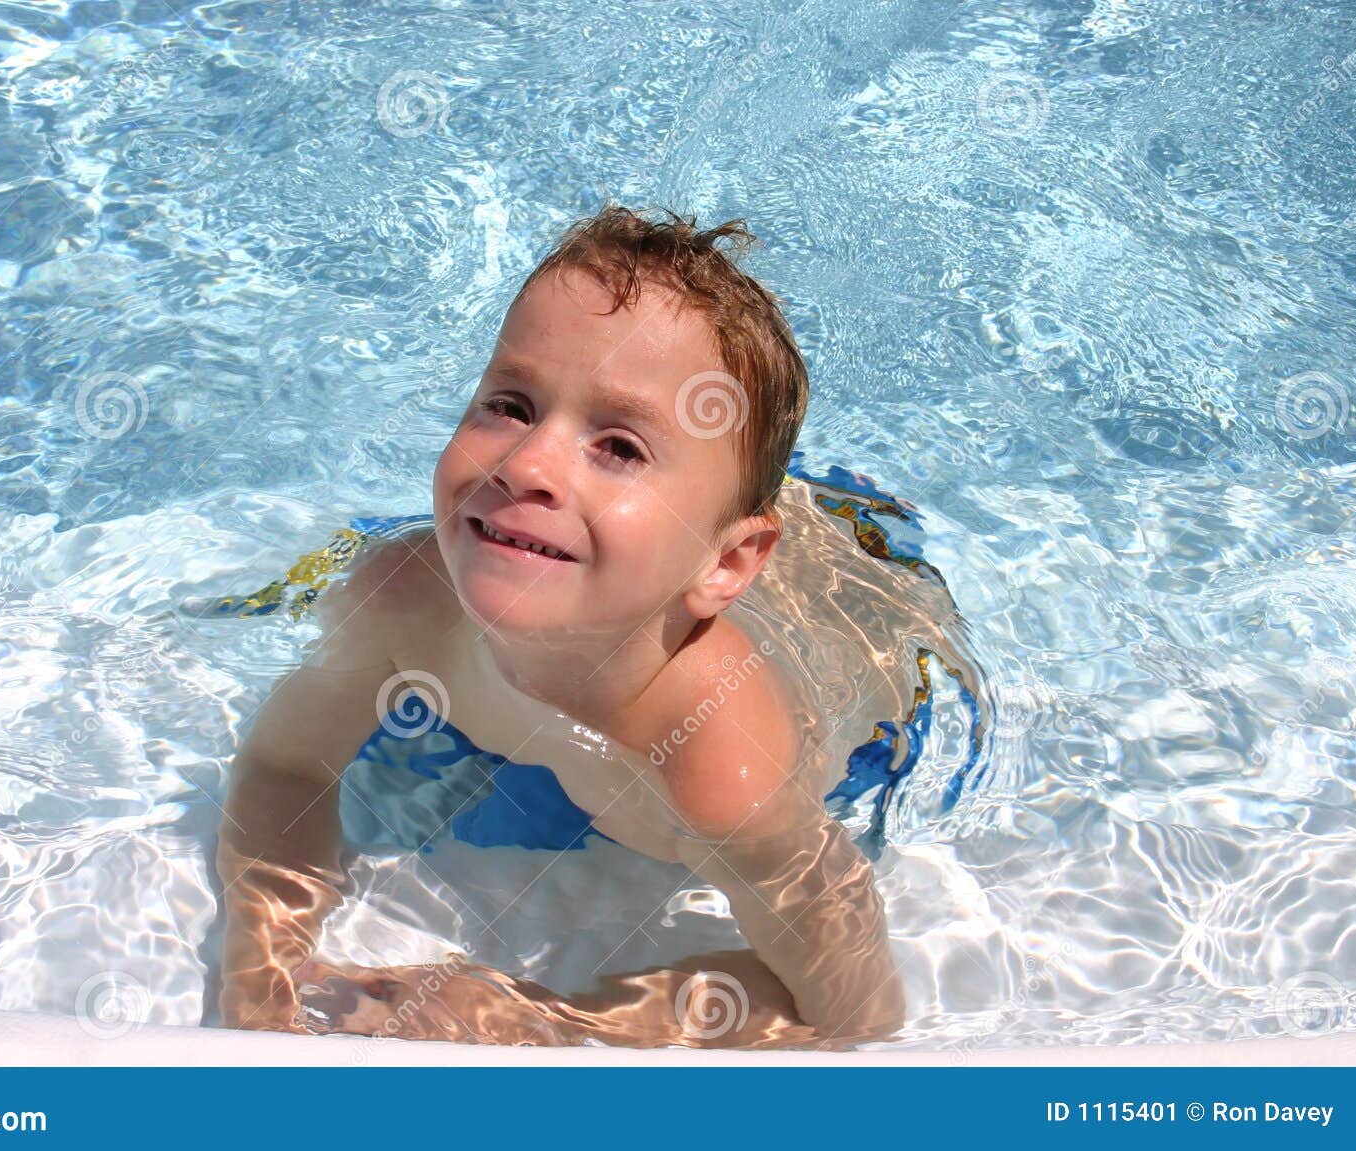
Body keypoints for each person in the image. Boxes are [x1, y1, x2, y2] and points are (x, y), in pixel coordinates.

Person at [215, 204, 907, 1048]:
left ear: (725, 564)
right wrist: (263, 971)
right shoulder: (403, 596)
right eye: (511, 405)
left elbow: (855, 1012)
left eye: (619, 446)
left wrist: (540, 1018)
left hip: (870, 636)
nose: (527, 463)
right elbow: (287, 766)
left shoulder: (721, 769)